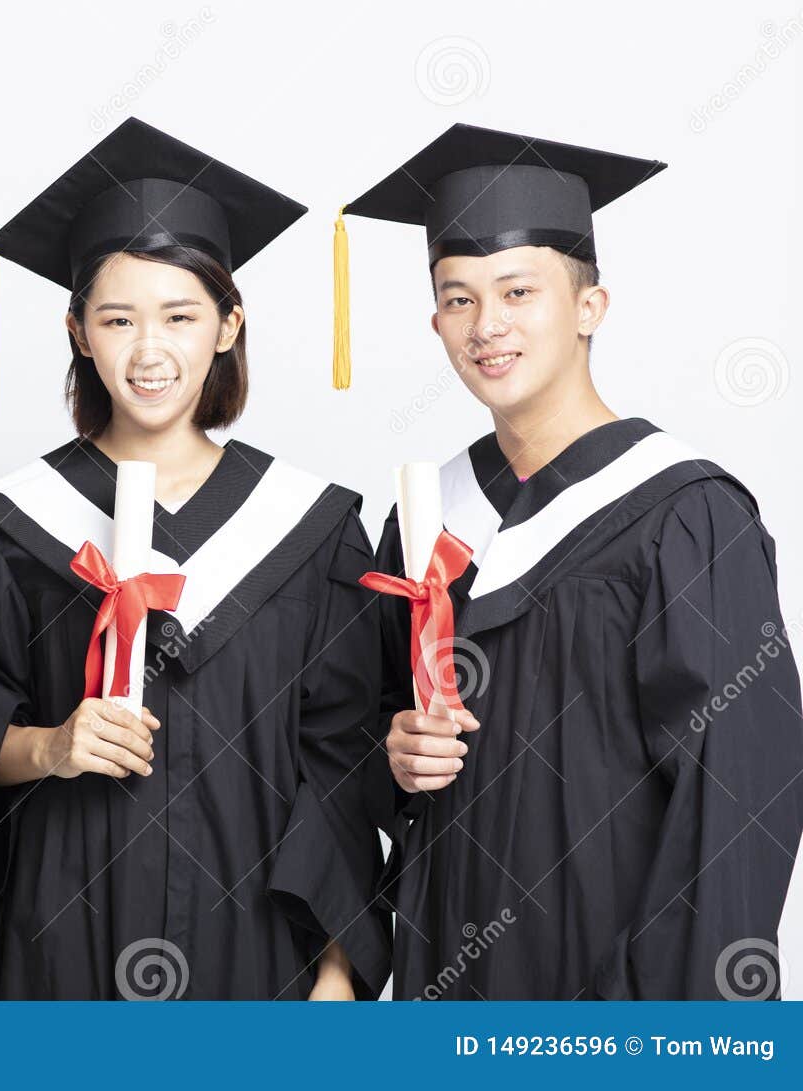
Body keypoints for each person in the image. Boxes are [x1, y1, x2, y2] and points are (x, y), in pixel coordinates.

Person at [341, 123, 803, 999]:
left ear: (590, 307)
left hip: (615, 999)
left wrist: (663, 1034)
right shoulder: (426, 520)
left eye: (519, 290)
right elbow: (360, 754)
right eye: (459, 298)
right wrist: (394, 758)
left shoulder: (684, 514)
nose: (488, 327)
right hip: (446, 981)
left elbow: (737, 800)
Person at [0, 118, 390, 999]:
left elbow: (346, 762)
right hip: (59, 950)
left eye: (181, 316)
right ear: (79, 331)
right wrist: (50, 744)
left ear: (228, 326)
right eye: (117, 318)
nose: (149, 351)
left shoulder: (311, 530)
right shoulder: (8, 529)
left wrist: (338, 976)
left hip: (260, 957)